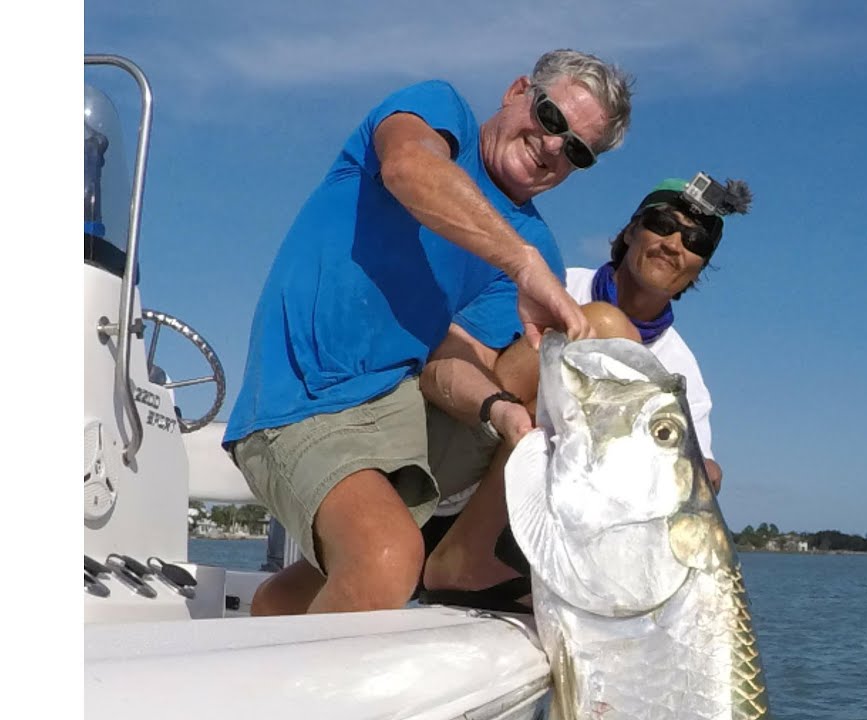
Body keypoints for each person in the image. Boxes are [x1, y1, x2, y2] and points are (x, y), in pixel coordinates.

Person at [223, 49, 634, 616]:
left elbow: (445, 363)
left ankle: (456, 562)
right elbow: (408, 168)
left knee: (603, 334)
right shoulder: (439, 111)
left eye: (577, 151)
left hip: (404, 403)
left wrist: (498, 410)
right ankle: (372, 573)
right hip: (303, 399)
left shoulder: (539, 248)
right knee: (386, 557)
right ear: (518, 91)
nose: (552, 146)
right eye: (550, 117)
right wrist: (521, 263)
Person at [416, 173, 753, 612]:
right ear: (631, 231)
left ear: (700, 267)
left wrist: (703, 472)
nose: (674, 244)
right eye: (663, 225)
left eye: (695, 241)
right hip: (450, 467)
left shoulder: (681, 370)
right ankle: (464, 558)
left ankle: (488, 559)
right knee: (603, 327)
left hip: (527, 533)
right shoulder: (550, 283)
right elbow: (450, 361)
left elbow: (697, 475)